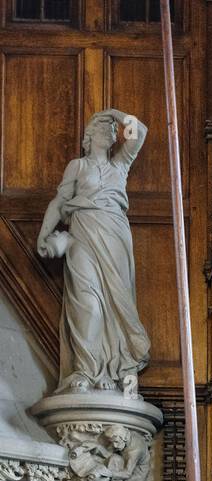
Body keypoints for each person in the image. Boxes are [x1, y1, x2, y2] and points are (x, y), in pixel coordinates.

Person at [37, 109, 150, 394]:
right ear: (89, 136)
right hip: (82, 236)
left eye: (113, 130)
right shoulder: (77, 166)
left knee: (115, 303)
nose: (111, 132)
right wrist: (44, 233)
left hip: (114, 239)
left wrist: (115, 114)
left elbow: (140, 132)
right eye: (103, 128)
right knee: (87, 302)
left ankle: (112, 369)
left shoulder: (119, 165)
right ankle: (86, 371)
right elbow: (59, 202)